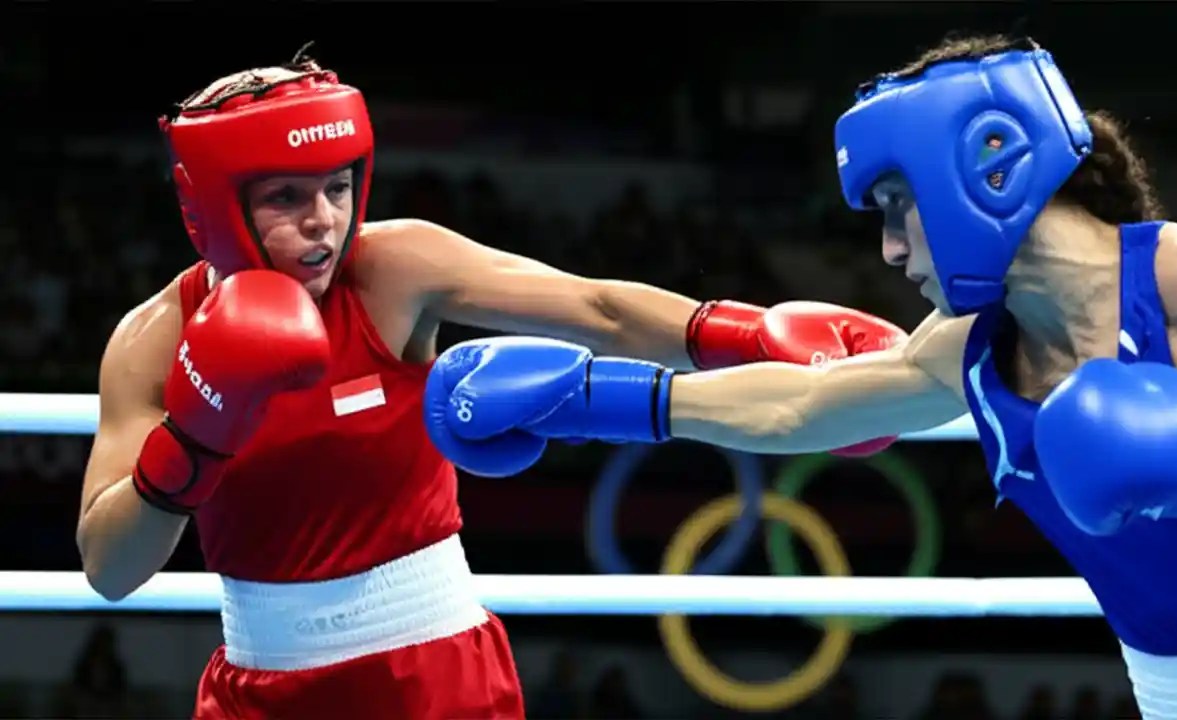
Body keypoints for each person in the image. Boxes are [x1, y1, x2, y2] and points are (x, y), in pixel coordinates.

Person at [425, 34, 1177, 718]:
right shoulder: (971, 346)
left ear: (983, 169)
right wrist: (588, 397)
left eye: (899, 205)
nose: (892, 251)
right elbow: (801, 403)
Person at [74, 49, 907, 720]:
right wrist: (196, 435)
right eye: (286, 197)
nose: (324, 221)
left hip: (433, 675)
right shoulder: (153, 343)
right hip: (258, 686)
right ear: (213, 209)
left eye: (336, 188)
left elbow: (596, 308)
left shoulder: (391, 270)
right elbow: (110, 570)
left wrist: (748, 333)